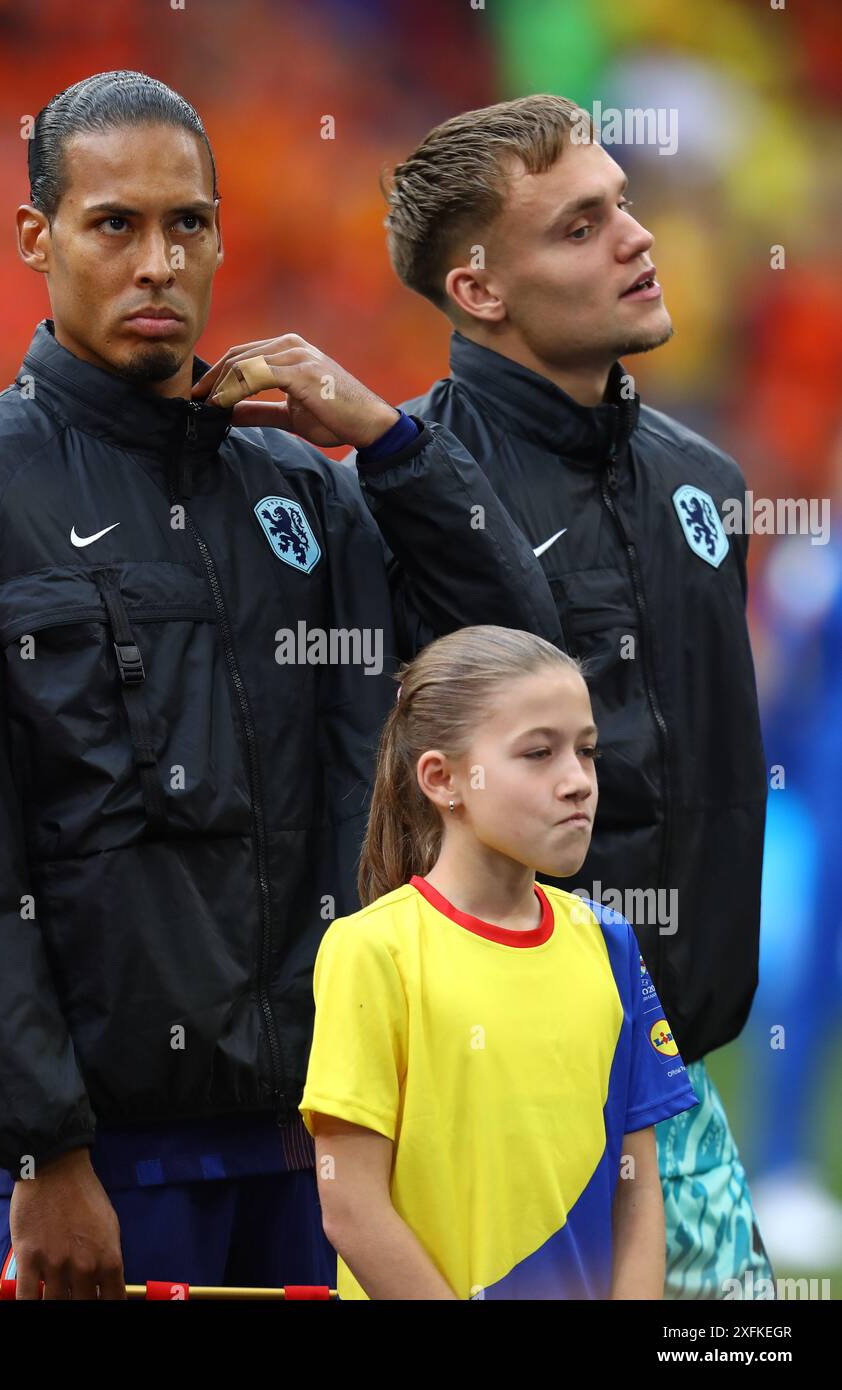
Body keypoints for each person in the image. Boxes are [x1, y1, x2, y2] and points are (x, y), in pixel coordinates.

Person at [0, 72, 560, 1301]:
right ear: (38, 237)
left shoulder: (301, 489)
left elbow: (525, 667)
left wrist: (391, 444)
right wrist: (42, 1147)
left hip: (334, 1152)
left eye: (190, 226)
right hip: (105, 1168)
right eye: (115, 224)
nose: (160, 261)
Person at [380, 93, 772, 1299]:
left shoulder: (703, 482)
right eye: (580, 225)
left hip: (683, 1091)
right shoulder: (388, 500)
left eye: (626, 206)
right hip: (491, 1109)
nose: (636, 237)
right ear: (479, 290)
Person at [299, 626, 699, 1299]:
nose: (577, 782)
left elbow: (637, 1193)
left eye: (587, 751)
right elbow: (352, 1209)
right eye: (539, 753)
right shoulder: (373, 951)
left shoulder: (609, 943)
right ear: (443, 779)